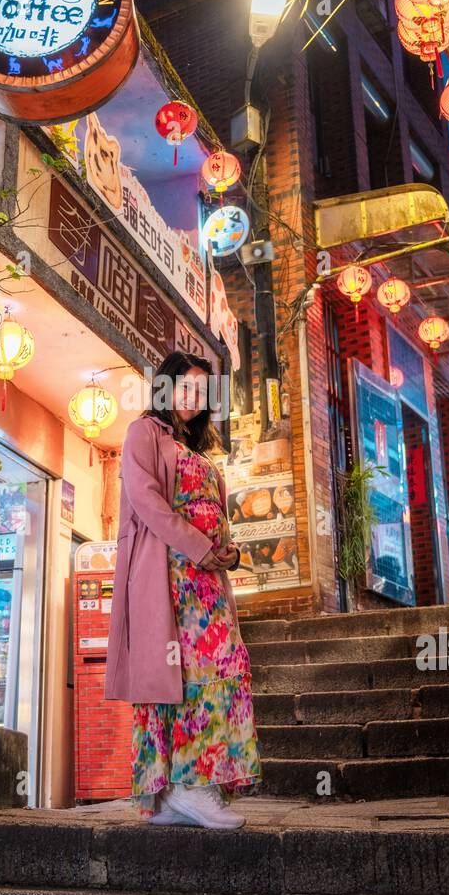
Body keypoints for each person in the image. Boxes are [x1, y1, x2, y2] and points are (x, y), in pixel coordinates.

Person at [104, 351, 262, 829]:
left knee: (223, 667)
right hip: (170, 582)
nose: (193, 399)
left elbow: (215, 515)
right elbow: (146, 502)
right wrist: (198, 545)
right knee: (194, 674)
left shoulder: (198, 452)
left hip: (206, 582)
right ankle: (190, 785)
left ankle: (182, 789)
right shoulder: (143, 434)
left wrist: (228, 552)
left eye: (201, 392)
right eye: (185, 387)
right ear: (164, 387)